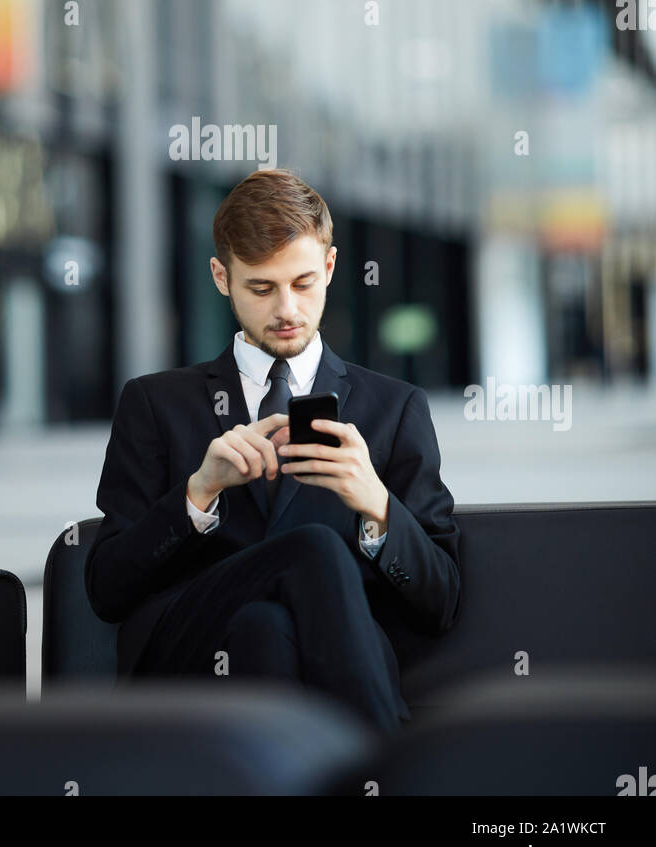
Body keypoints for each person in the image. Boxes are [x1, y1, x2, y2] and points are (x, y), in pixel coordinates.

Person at [84, 168, 461, 734]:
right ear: (221, 277)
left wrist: (377, 506)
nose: (286, 309)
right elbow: (107, 588)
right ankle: (389, 766)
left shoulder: (396, 408)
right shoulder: (154, 403)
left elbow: (441, 600)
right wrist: (198, 493)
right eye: (262, 288)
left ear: (330, 267)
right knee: (309, 548)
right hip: (188, 658)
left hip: (306, 665)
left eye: (303, 283)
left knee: (264, 627)